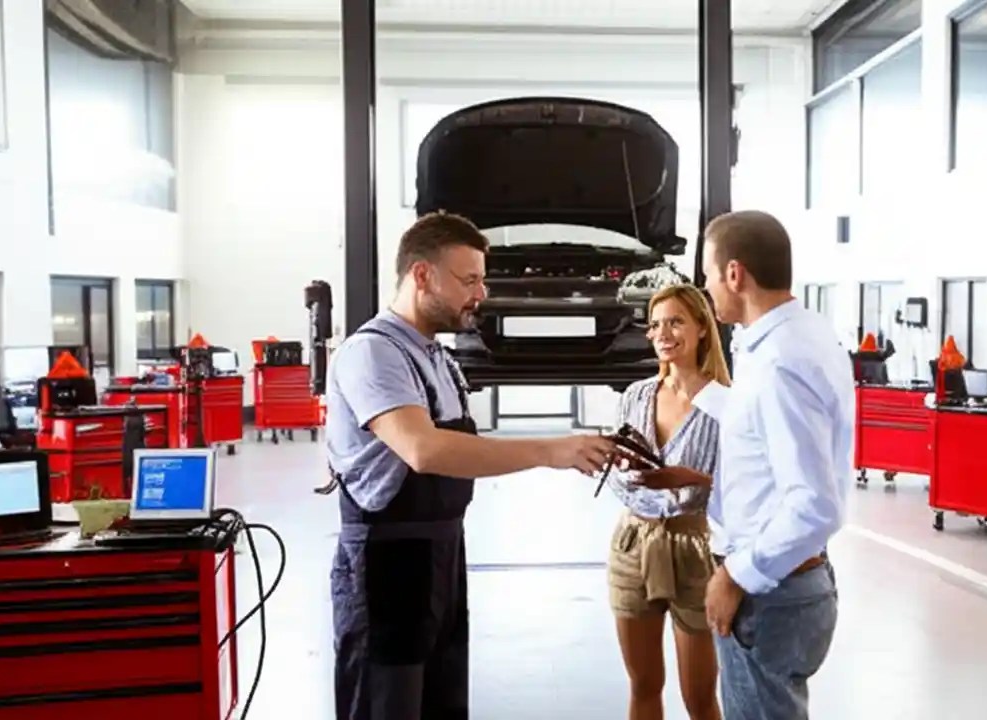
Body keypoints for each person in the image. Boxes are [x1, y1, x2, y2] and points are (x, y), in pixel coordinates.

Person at [325, 210, 618, 720]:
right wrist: (550, 451)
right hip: (385, 569)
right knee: (385, 705)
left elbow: (459, 450)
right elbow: (425, 450)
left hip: (441, 557)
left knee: (442, 702)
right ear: (422, 275)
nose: (480, 294)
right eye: (469, 280)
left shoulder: (437, 357)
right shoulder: (373, 353)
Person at [637, 210, 854, 720]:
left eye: (709, 276)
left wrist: (734, 575)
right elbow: (761, 424)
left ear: (735, 274)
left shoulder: (779, 361)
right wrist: (690, 381)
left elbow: (816, 505)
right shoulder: (796, 336)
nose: (707, 290)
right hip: (792, 583)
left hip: (770, 592)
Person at [604, 284, 730, 720]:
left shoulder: (724, 406)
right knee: (642, 685)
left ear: (701, 329)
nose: (663, 332)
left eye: (676, 321)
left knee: (699, 697)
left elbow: (743, 487)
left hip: (693, 548)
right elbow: (622, 476)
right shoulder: (636, 396)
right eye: (655, 324)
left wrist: (691, 480)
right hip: (632, 542)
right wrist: (618, 465)